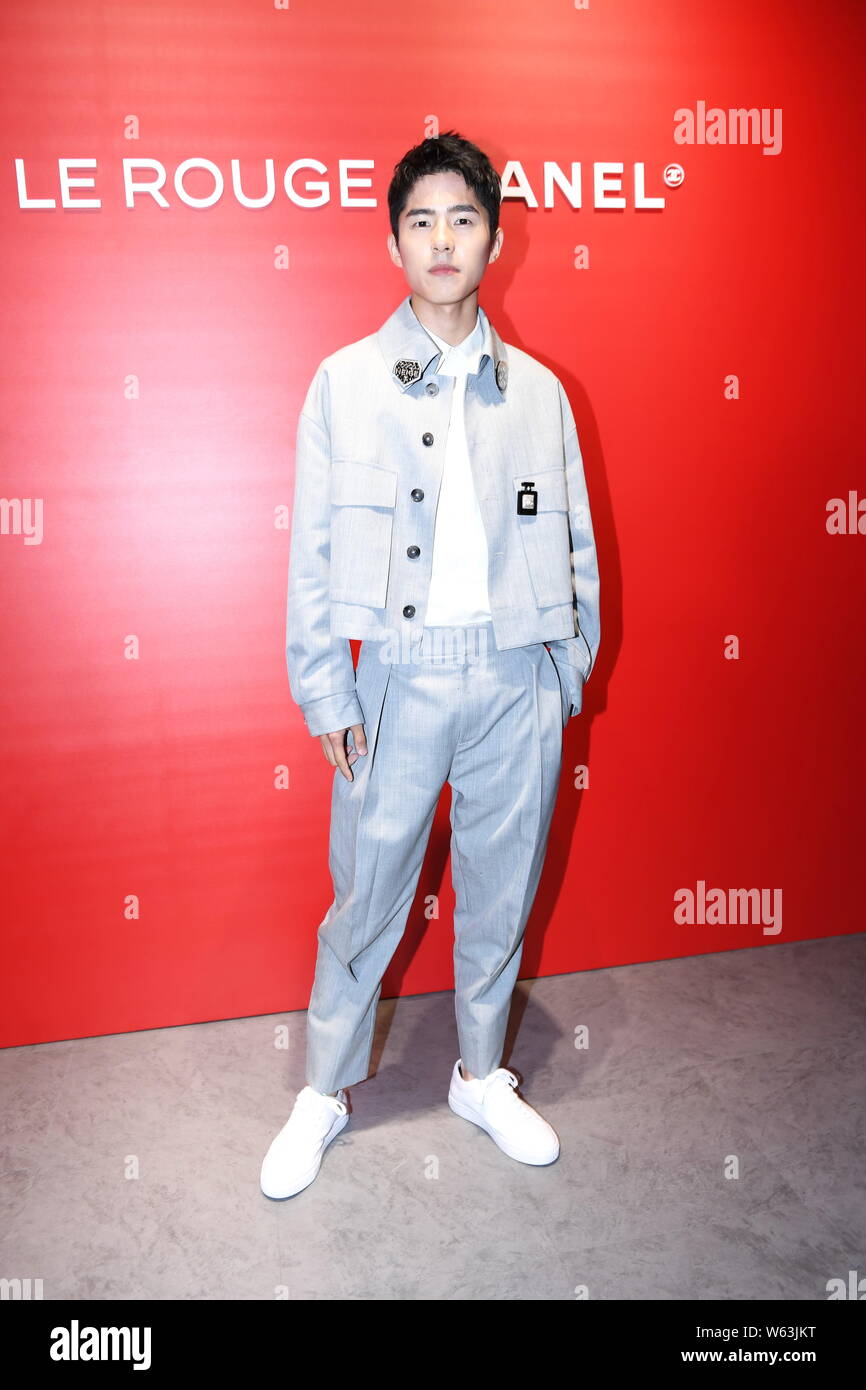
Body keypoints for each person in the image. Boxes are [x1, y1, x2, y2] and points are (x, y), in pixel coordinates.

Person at [261, 131, 600, 1199]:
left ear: (494, 239)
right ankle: (323, 1087)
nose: (442, 238)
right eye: (420, 220)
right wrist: (324, 684)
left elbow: (578, 542)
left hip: (514, 678)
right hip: (393, 675)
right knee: (366, 891)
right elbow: (310, 548)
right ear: (394, 244)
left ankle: (481, 1073)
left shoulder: (540, 392)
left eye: (462, 218)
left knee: (501, 891)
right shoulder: (343, 382)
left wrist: (560, 670)